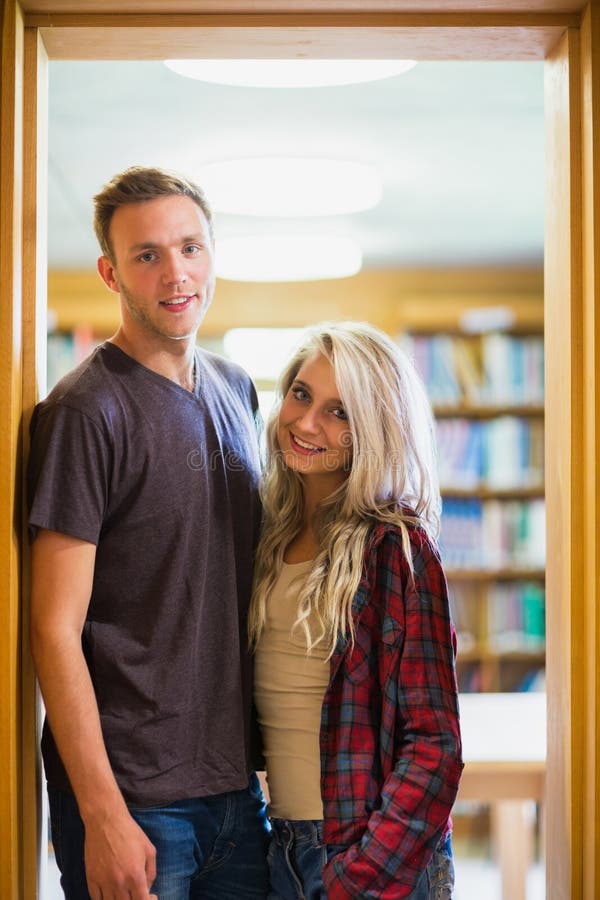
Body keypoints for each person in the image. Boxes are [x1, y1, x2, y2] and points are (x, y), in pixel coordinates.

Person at [28, 166, 270, 900]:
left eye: (191, 248)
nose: (176, 273)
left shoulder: (237, 389)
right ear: (110, 272)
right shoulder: (84, 412)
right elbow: (53, 629)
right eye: (147, 255)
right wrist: (102, 815)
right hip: (135, 797)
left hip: (237, 790)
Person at [249, 321, 464, 900]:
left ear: (373, 428)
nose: (308, 423)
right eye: (301, 394)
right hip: (281, 846)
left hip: (367, 858)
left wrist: (358, 874)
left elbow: (434, 745)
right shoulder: (266, 535)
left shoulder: (398, 549)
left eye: (340, 412)